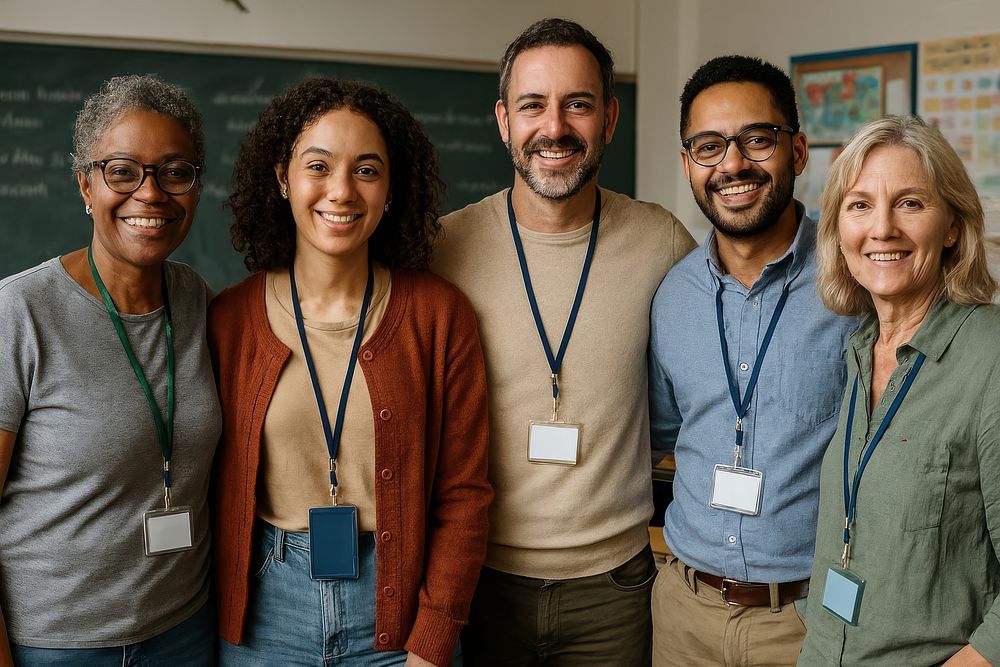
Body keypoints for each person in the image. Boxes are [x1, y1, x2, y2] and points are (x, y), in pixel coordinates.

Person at [431, 18, 696, 666]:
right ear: (502, 120)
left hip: (615, 590)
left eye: (577, 104)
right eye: (533, 105)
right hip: (479, 582)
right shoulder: (442, 248)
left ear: (609, 118)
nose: (554, 127)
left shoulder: (660, 243)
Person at [210, 76, 491, 667]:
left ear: (390, 190)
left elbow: (465, 494)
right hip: (265, 614)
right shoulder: (229, 320)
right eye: (318, 165)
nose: (341, 190)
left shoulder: (439, 317)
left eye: (366, 170)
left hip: (397, 614)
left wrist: (434, 640)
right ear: (282, 178)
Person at [0, 75, 221, 665]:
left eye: (175, 171)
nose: (150, 193)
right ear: (86, 187)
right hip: (56, 645)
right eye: (122, 170)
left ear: (196, 188)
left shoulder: (197, 299)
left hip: (185, 631)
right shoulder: (18, 313)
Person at [647, 55, 859, 666]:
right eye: (709, 147)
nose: (733, 164)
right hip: (683, 612)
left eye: (756, 140)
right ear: (688, 165)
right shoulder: (673, 295)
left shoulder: (855, 280)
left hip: (807, 617)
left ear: (797, 151)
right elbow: (665, 434)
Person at [797, 115, 1000, 666]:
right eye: (860, 205)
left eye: (910, 203)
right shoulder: (861, 348)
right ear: (838, 227)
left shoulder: (989, 355)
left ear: (953, 224)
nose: (882, 228)